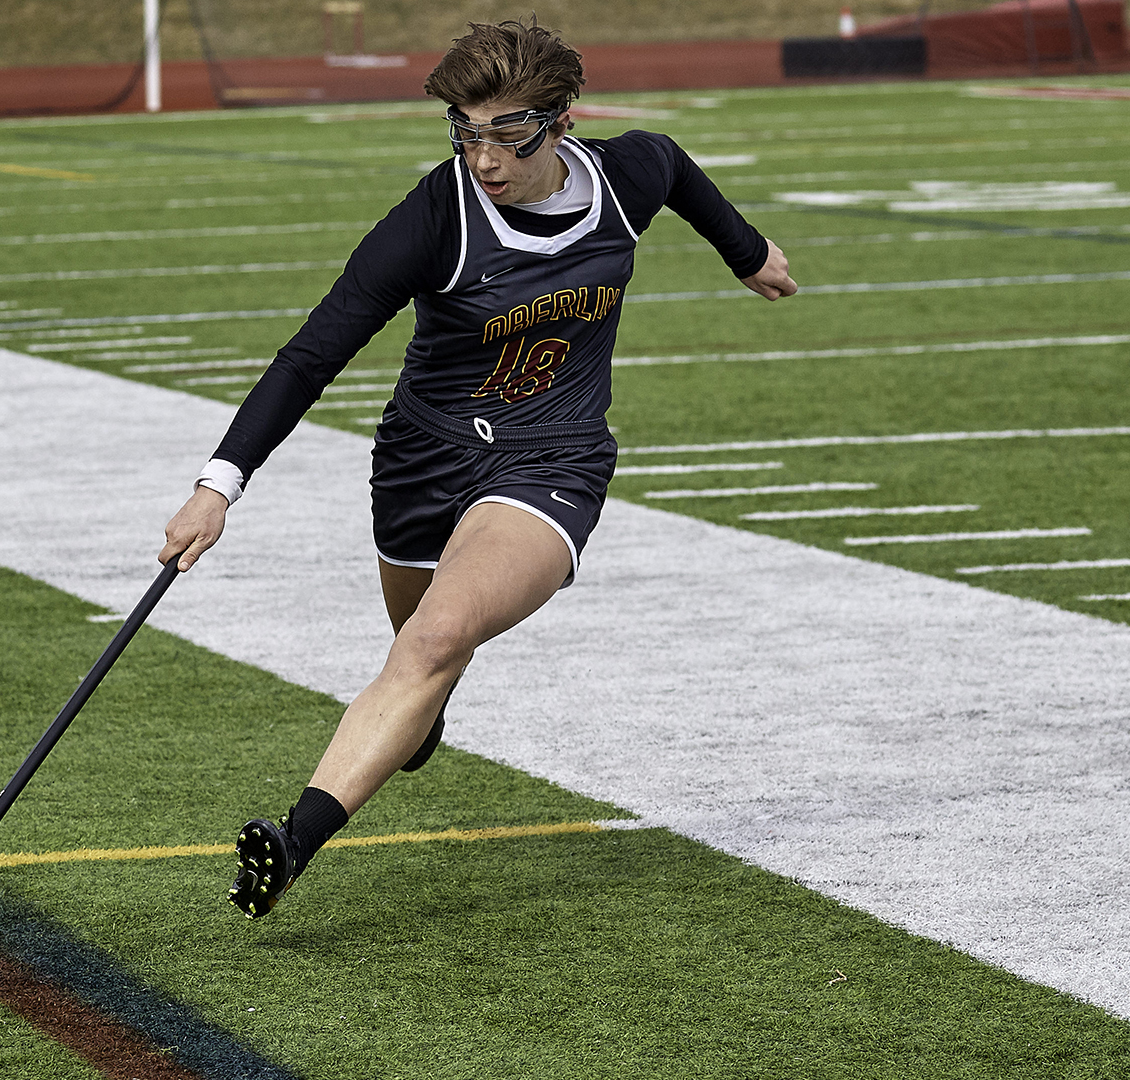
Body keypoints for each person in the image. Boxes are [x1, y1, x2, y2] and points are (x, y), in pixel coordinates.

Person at [158, 19, 797, 918]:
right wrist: (216, 485)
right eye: (465, 129)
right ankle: (420, 715)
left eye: (508, 132)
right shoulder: (434, 218)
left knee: (433, 641)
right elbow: (312, 354)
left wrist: (747, 252)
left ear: (562, 121)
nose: (484, 155)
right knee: (417, 654)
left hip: (553, 458)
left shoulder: (625, 176)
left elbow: (676, 166)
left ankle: (292, 843)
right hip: (421, 460)